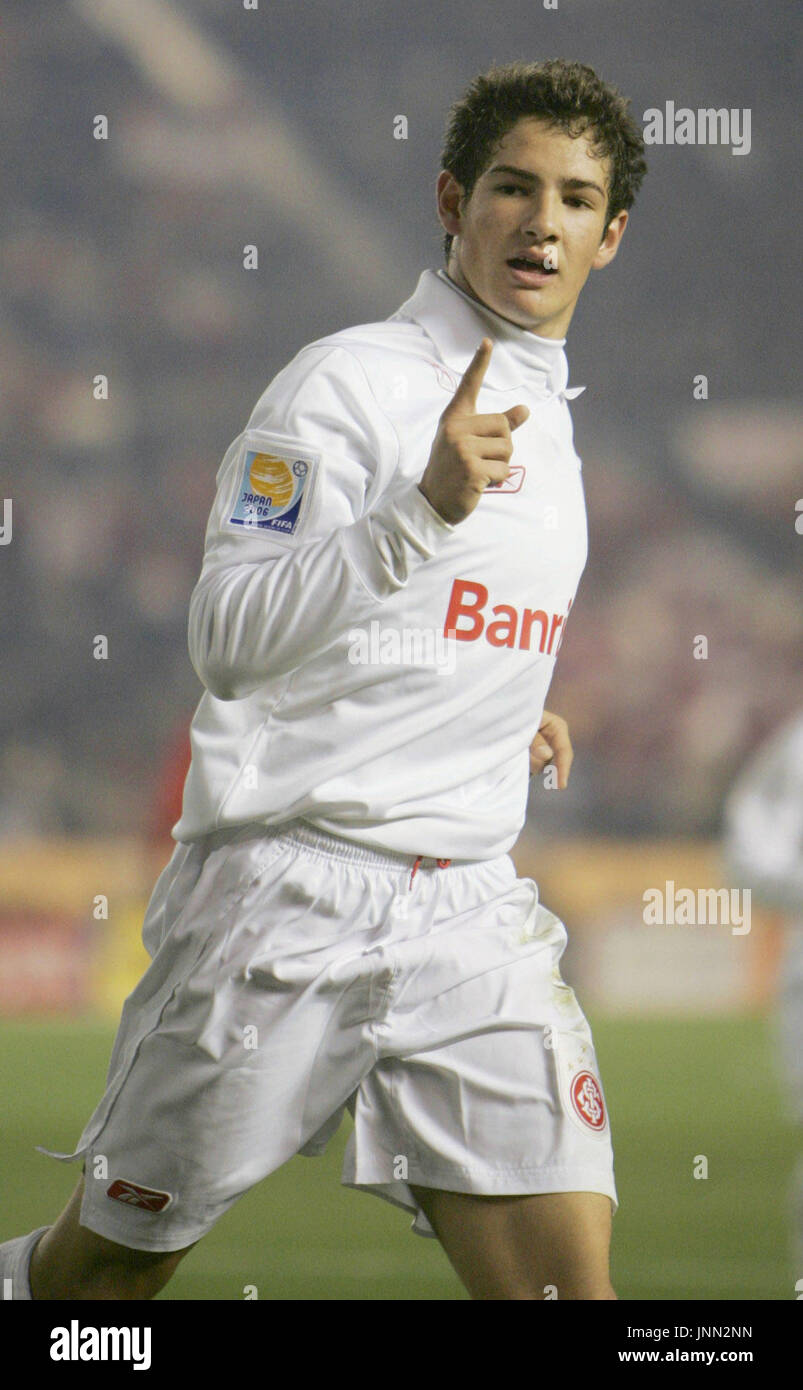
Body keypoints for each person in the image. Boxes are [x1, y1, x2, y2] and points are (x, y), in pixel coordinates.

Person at [1, 58, 646, 1301]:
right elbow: (229, 638)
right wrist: (418, 510)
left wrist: (493, 700)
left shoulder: (550, 419)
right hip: (283, 900)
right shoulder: (343, 385)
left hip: (468, 911)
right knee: (100, 1291)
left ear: (609, 236)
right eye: (512, 186)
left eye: (574, 197)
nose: (541, 219)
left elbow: (430, 622)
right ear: (451, 200)